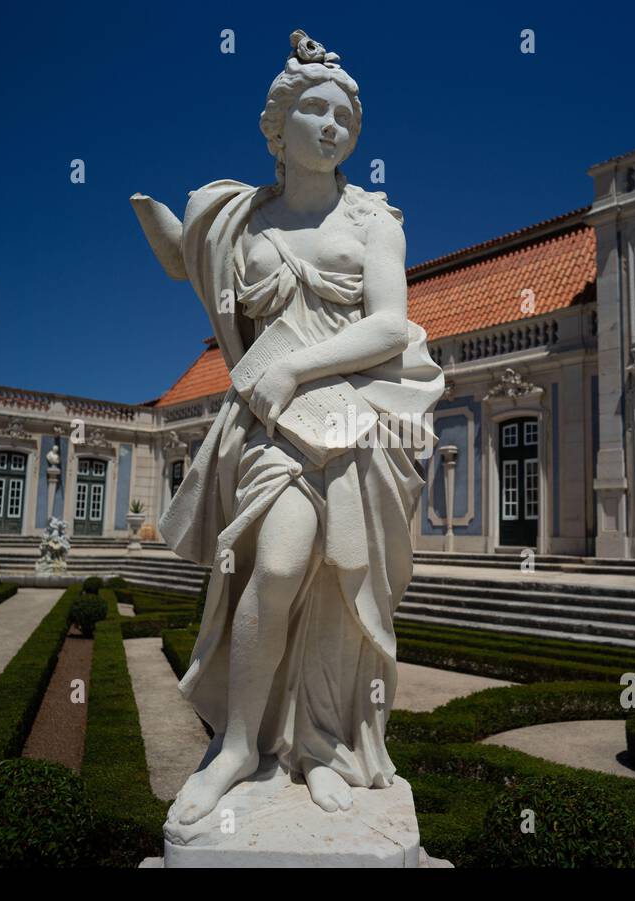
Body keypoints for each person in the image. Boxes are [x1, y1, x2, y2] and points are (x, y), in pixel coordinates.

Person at [131, 30, 442, 825]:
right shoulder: (240, 219)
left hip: (356, 418)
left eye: (344, 115)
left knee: (342, 583)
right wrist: (173, 230)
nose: (332, 124)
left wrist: (301, 367)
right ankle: (239, 746)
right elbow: (192, 265)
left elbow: (388, 328)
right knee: (273, 569)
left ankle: (322, 747)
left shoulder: (374, 218)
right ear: (277, 125)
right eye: (313, 108)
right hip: (276, 428)